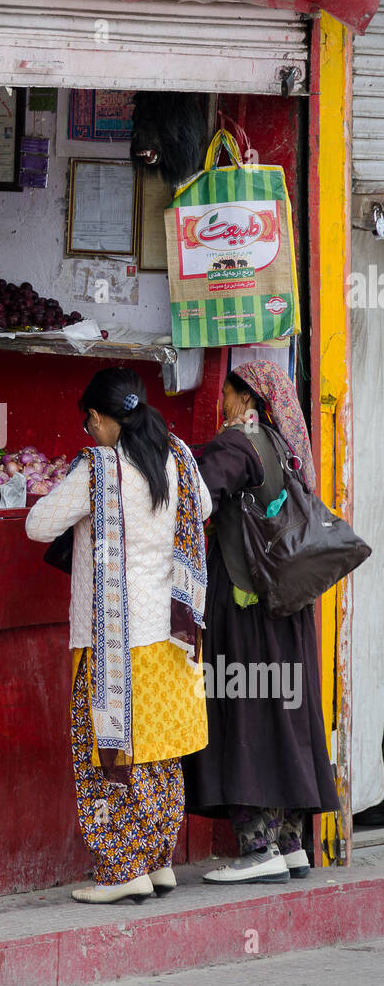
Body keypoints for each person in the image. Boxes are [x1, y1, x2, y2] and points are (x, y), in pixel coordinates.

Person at [25, 367, 212, 905]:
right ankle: (157, 862)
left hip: (113, 641)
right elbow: (201, 508)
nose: (90, 432)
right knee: (158, 754)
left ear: (103, 418)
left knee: (109, 753)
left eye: (90, 422)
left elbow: (38, 524)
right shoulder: (176, 452)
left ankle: (122, 869)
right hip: (170, 636)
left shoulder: (98, 471)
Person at [184, 362, 340, 884]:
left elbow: (197, 496)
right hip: (285, 607)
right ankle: (290, 844)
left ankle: (257, 849)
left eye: (226, 392)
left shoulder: (237, 441)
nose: (222, 401)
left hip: (245, 603)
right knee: (285, 711)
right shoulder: (278, 441)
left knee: (243, 709)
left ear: (243, 397)